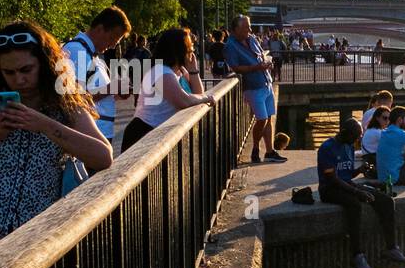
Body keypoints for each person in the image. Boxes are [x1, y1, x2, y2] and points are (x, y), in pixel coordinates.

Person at [0, 20, 113, 265]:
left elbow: (103, 156)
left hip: (37, 237)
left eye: (26, 70)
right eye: (8, 72)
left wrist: (44, 124)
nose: (18, 80)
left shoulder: (66, 104)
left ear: (45, 65)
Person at [318, 118, 405, 268]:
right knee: (355, 204)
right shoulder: (328, 148)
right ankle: (357, 254)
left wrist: (359, 170)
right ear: (345, 133)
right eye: (356, 136)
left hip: (346, 185)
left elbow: (346, 174)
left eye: (359, 135)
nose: (358, 139)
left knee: (386, 200)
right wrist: (357, 192)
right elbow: (332, 178)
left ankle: (391, 247)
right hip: (330, 189)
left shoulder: (348, 145)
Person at [121, 27, 213, 152]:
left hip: (157, 133)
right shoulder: (161, 72)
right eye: (189, 46)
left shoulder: (180, 70)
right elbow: (184, 101)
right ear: (179, 49)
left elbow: (197, 94)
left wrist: (193, 70)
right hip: (143, 134)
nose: (192, 50)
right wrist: (206, 98)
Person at [63, 6, 131, 142]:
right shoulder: (76, 51)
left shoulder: (93, 55)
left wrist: (117, 91)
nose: (112, 45)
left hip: (98, 132)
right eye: (112, 38)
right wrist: (111, 88)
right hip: (89, 136)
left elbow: (93, 94)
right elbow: (72, 99)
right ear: (99, 29)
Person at [224, 14, 285, 163]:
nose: (249, 30)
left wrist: (265, 63)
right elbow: (235, 67)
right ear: (236, 29)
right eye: (246, 27)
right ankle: (256, 147)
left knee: (269, 117)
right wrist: (256, 67)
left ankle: (270, 151)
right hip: (253, 86)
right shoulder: (230, 46)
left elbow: (261, 56)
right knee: (261, 119)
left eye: (249, 26)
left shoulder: (251, 39)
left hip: (265, 81)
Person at [360, 106, 390, 179]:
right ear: (377, 118)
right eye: (385, 118)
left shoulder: (371, 130)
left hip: (369, 169)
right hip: (374, 170)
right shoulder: (377, 132)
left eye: (389, 118)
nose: (387, 121)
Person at [122, 34, 152, 106]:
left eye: (145, 41)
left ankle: (139, 100)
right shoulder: (133, 51)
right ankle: (136, 99)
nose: (144, 43)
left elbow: (151, 62)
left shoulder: (147, 52)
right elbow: (126, 59)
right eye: (143, 41)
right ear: (139, 41)